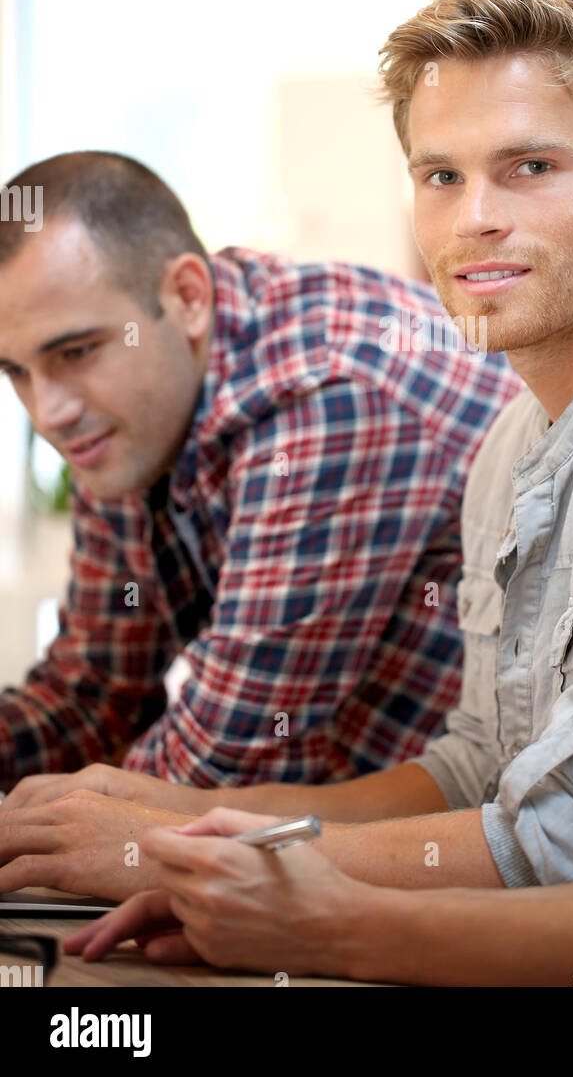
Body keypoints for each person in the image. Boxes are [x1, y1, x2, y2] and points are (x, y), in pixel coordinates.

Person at [3, 0, 573, 905]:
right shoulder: (512, 442)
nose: (473, 220)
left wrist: (176, 844)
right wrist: (177, 823)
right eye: (441, 176)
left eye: (530, 167)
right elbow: (481, 768)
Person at [0, 152, 519, 800]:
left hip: (504, 853)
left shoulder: (328, 393)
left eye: (76, 352)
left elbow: (225, 765)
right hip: (346, 837)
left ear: (188, 297)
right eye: (15, 371)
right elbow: (94, 691)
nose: (50, 412)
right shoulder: (129, 415)